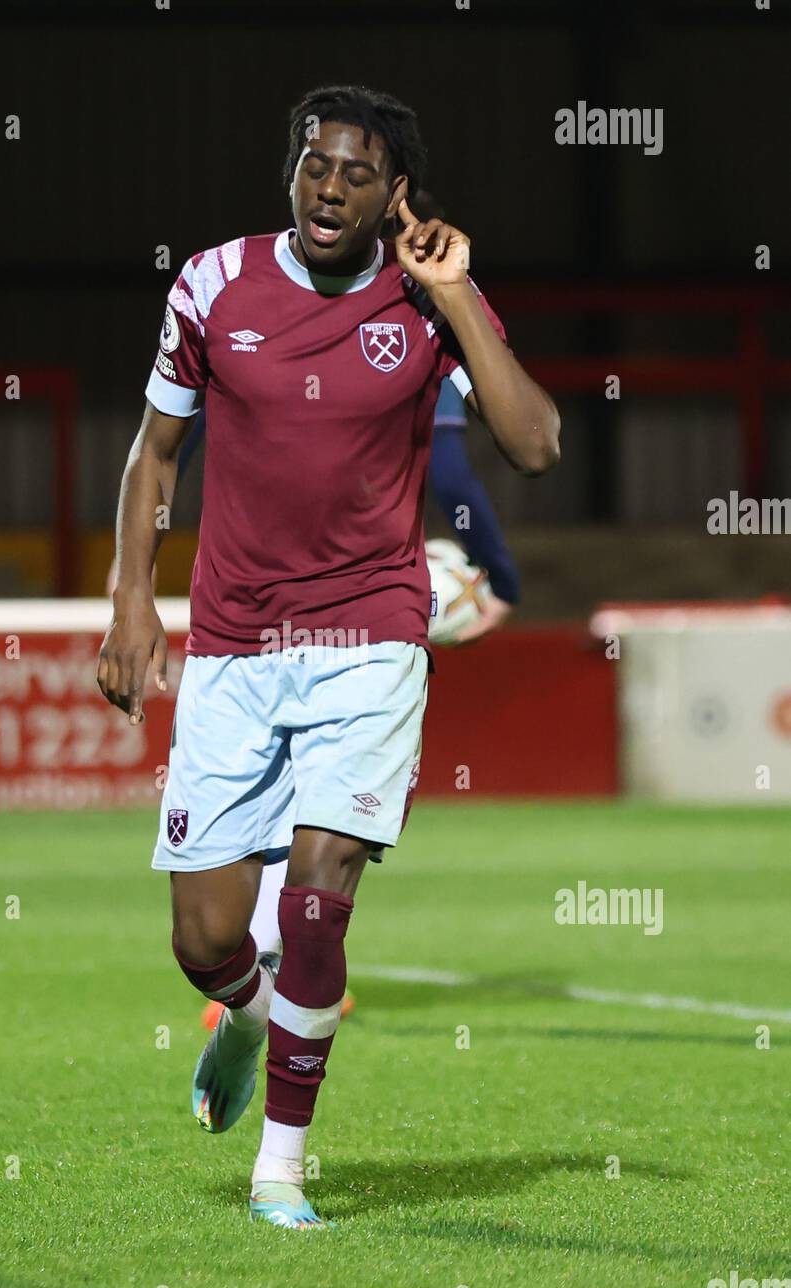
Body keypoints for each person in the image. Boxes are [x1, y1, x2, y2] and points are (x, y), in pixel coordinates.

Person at [98, 84, 560, 1230]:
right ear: (293, 173)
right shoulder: (211, 285)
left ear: (394, 195)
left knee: (316, 901)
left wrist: (456, 294)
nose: (328, 188)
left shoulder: (424, 297)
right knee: (207, 943)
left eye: (355, 173)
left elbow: (536, 441)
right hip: (236, 645)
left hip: (371, 637)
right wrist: (130, 603)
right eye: (315, 167)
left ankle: (281, 1172)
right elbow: (155, 454)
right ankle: (249, 1019)